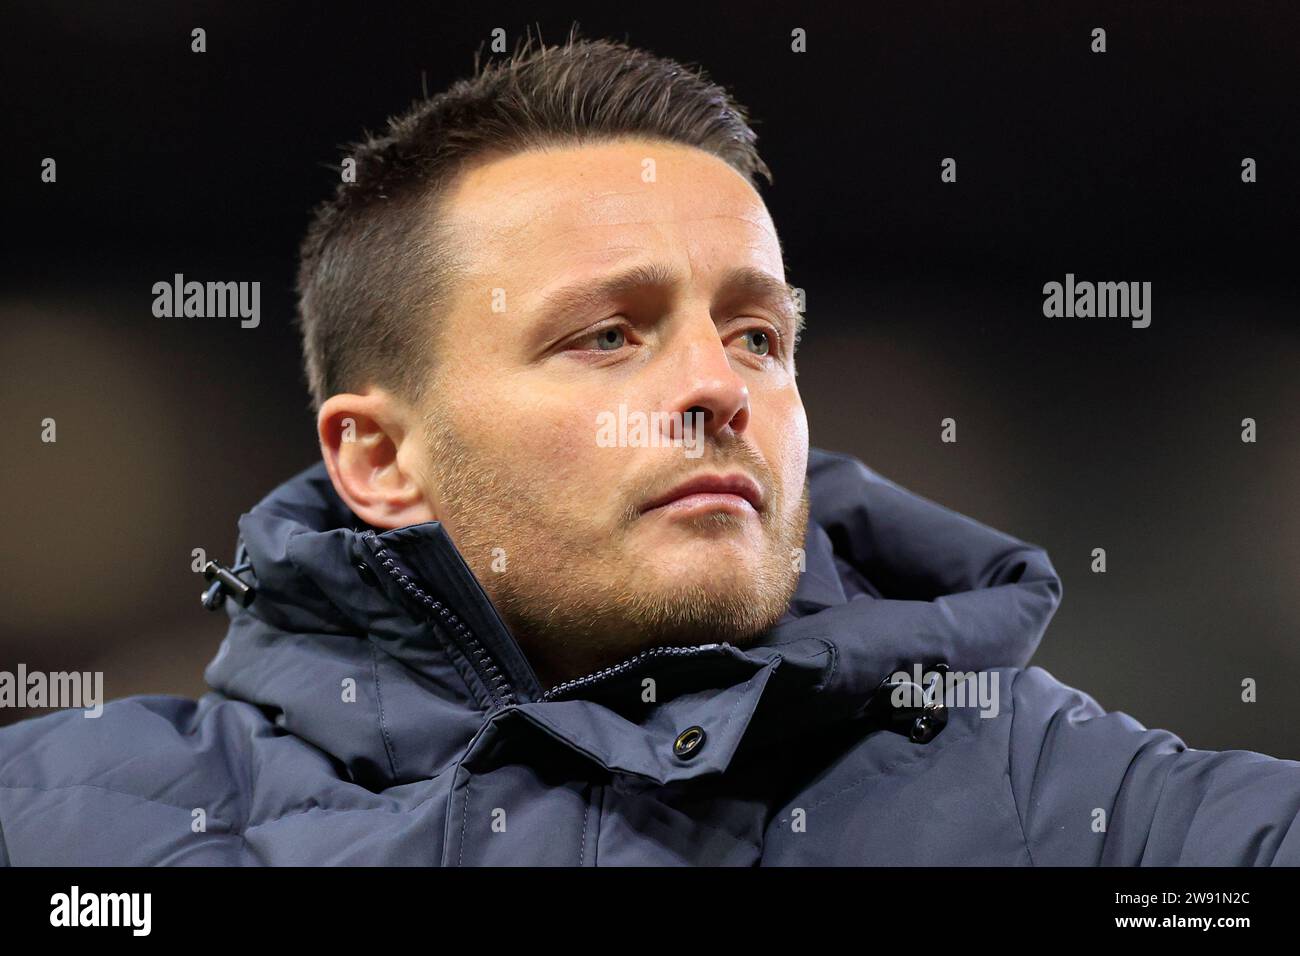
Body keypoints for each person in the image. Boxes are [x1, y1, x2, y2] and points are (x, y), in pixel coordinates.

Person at [2, 33, 1296, 866]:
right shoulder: (73, 822)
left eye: (756, 336)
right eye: (611, 336)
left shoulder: (1059, 797)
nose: (717, 390)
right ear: (379, 461)